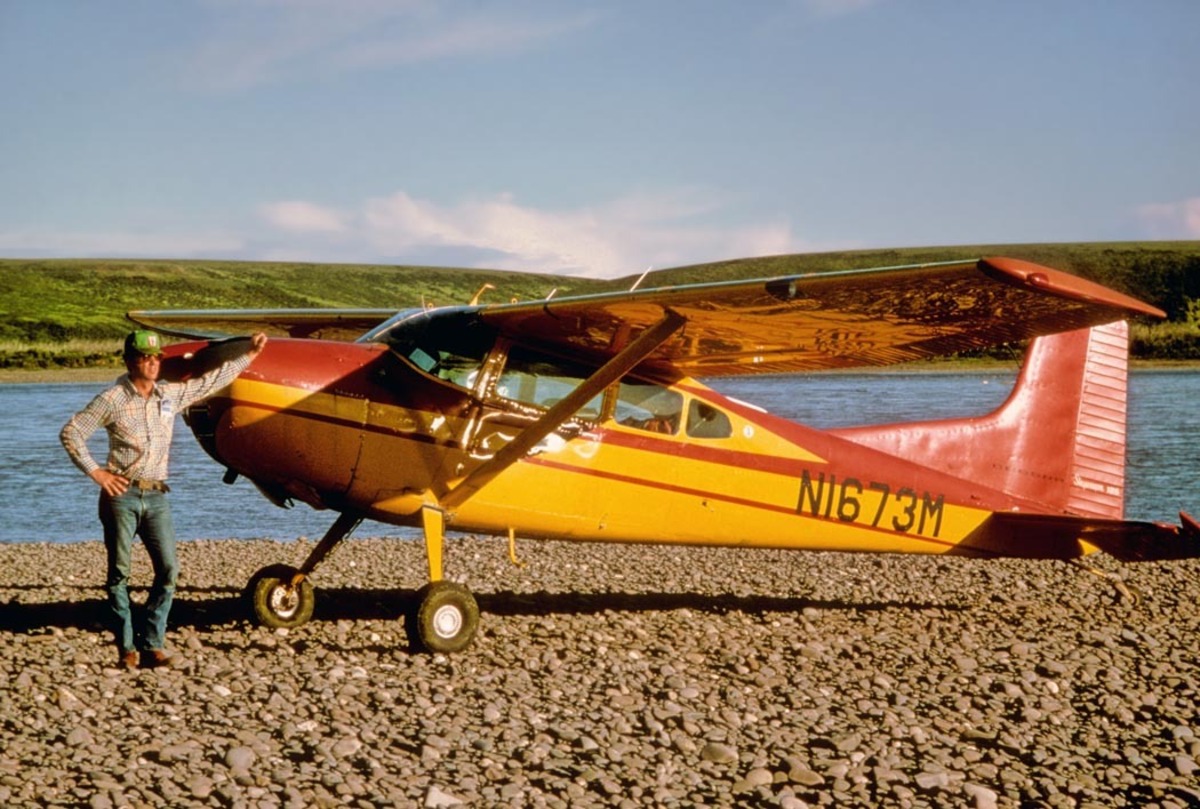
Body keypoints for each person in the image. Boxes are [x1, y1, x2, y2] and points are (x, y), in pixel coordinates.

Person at [61, 329, 268, 671]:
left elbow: (210, 382)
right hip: (121, 495)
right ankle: (126, 648)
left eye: (156, 357)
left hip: (157, 494)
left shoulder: (169, 395)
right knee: (119, 573)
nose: (153, 363)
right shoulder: (112, 399)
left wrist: (250, 355)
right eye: (145, 357)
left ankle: (153, 644)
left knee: (169, 570)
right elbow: (72, 432)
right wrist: (97, 472)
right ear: (129, 361)